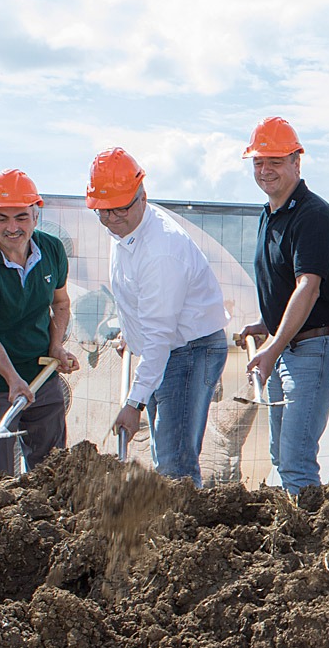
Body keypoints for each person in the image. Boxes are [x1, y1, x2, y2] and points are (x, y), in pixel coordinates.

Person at [88, 148, 230, 487]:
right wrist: (129, 332)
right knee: (166, 451)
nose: (111, 219)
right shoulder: (122, 231)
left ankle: (180, 533)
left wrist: (132, 404)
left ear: (142, 197)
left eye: (120, 209)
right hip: (168, 346)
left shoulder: (161, 251)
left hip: (191, 350)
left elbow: (159, 338)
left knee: (175, 462)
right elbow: (137, 302)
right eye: (103, 211)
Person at [234, 117, 329, 493]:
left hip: (315, 349)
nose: (265, 171)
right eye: (258, 162)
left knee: (296, 460)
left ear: (297, 162)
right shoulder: (270, 213)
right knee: (282, 457)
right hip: (290, 346)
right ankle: (290, 541)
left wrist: (272, 346)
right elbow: (286, 287)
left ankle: (306, 549)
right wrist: (266, 325)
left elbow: (308, 289)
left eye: (275, 161)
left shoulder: (313, 215)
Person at [0, 168, 79, 474]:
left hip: (39, 376)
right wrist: (12, 379)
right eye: (1, 218)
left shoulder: (52, 249)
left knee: (51, 471)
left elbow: (61, 304)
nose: (12, 227)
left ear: (36, 215)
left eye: (20, 217)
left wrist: (55, 346)